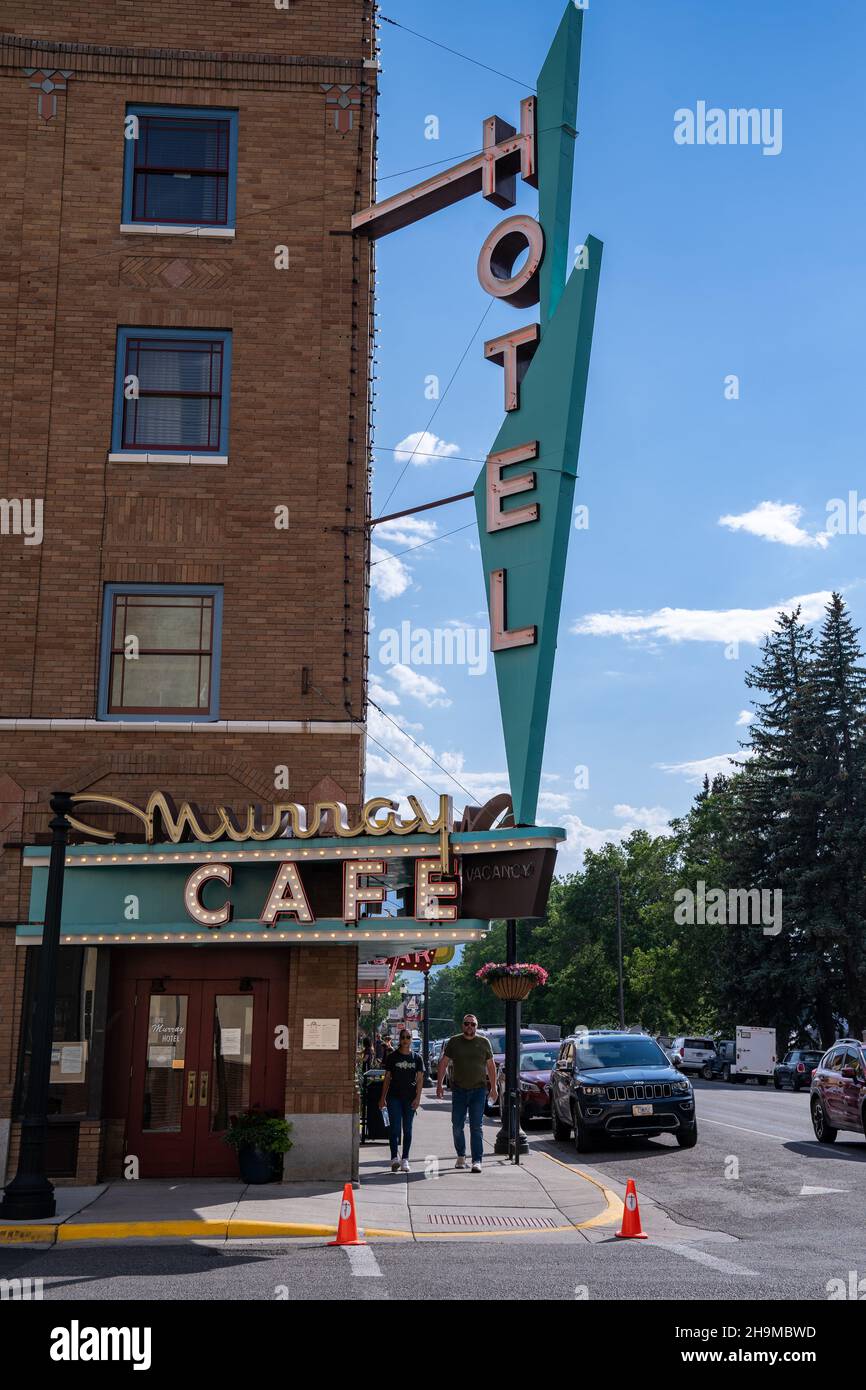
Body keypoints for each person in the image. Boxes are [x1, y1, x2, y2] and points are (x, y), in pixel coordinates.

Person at [436, 1014, 496, 1173]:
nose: (470, 1026)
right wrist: (439, 1084)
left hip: (478, 1090)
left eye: (473, 1024)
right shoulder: (454, 1042)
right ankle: (461, 1155)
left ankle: (477, 1160)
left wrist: (494, 1088)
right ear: (462, 1025)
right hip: (459, 1090)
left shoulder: (484, 1042)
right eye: (467, 1023)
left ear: (477, 1026)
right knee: (457, 1125)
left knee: (476, 1126)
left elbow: (491, 1066)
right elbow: (443, 1062)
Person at [379, 1028, 424, 1172]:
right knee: (394, 1128)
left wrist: (418, 1098)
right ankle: (394, 1158)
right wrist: (382, 1098)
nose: (405, 1040)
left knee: (408, 1129)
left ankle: (405, 1159)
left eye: (408, 1037)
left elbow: (420, 1079)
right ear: (399, 1039)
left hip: (409, 1098)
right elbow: (387, 1078)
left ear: (411, 1039)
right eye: (403, 1037)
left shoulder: (417, 1058)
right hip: (394, 1097)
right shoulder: (392, 1057)